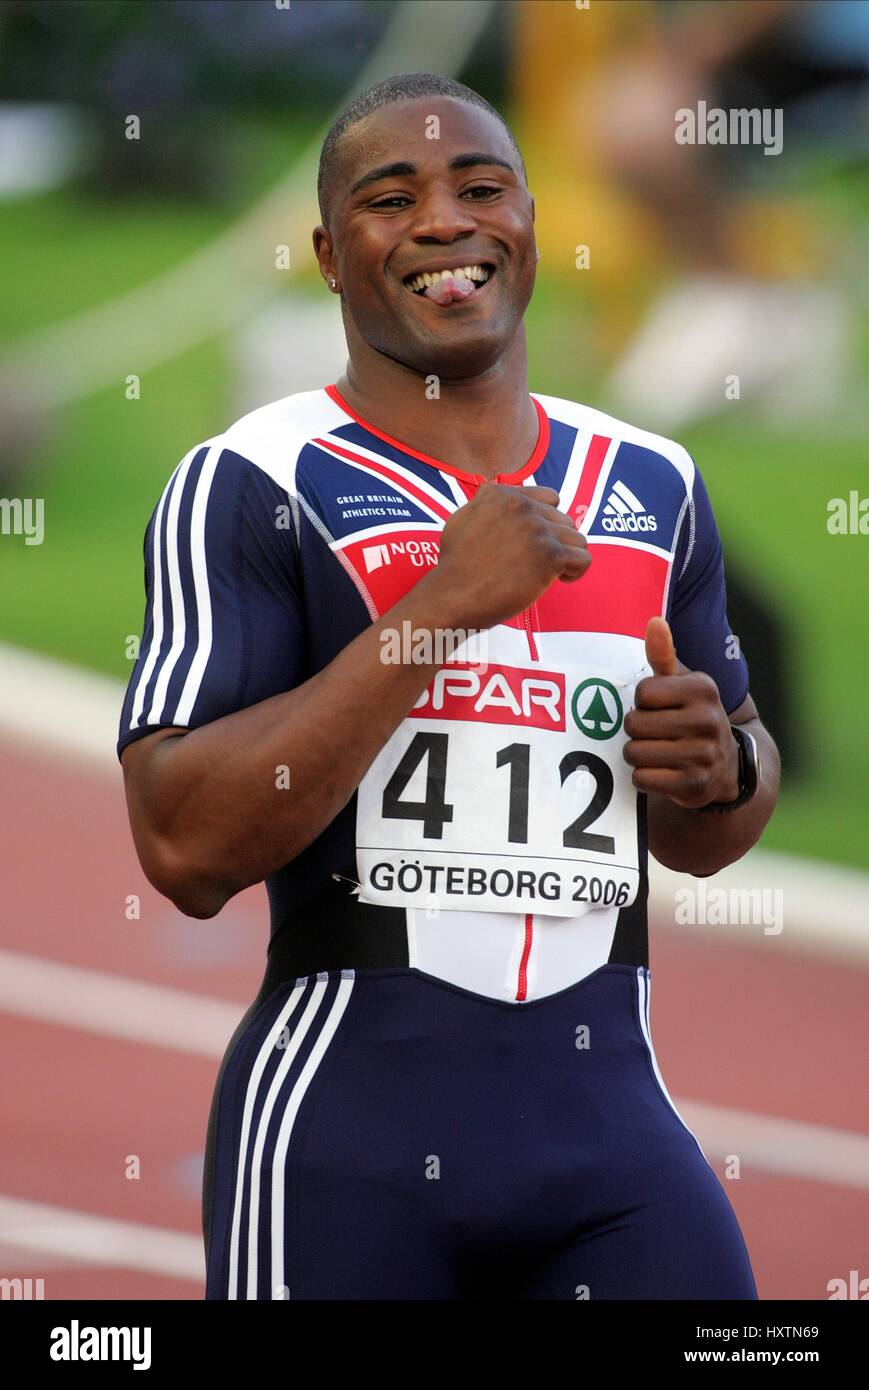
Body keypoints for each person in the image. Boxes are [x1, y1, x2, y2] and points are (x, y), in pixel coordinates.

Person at [118, 73, 780, 1301]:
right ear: (329, 256)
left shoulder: (651, 481)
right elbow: (183, 844)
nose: (442, 222)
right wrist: (434, 615)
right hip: (342, 1151)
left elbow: (716, 811)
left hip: (611, 1147)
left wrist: (721, 766)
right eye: (389, 199)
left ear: (527, 219)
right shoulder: (257, 480)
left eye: (480, 188)